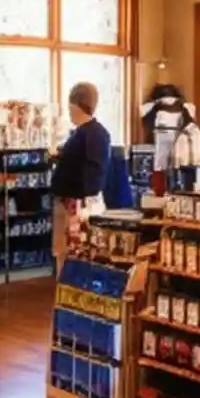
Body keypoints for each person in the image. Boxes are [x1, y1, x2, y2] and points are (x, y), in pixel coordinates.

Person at [52, 82, 111, 266]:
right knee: (77, 254)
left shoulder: (86, 135)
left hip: (77, 204)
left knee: (73, 255)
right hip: (84, 202)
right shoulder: (97, 133)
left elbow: (89, 170)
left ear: (75, 104)